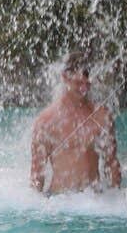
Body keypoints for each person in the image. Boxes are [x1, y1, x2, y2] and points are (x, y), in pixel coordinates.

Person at [30, 58, 121, 195]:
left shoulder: (101, 117)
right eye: (78, 83)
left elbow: (112, 164)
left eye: (87, 83)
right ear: (65, 78)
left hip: (93, 201)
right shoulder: (46, 121)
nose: (84, 88)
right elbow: (37, 173)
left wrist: (117, 200)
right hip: (59, 201)